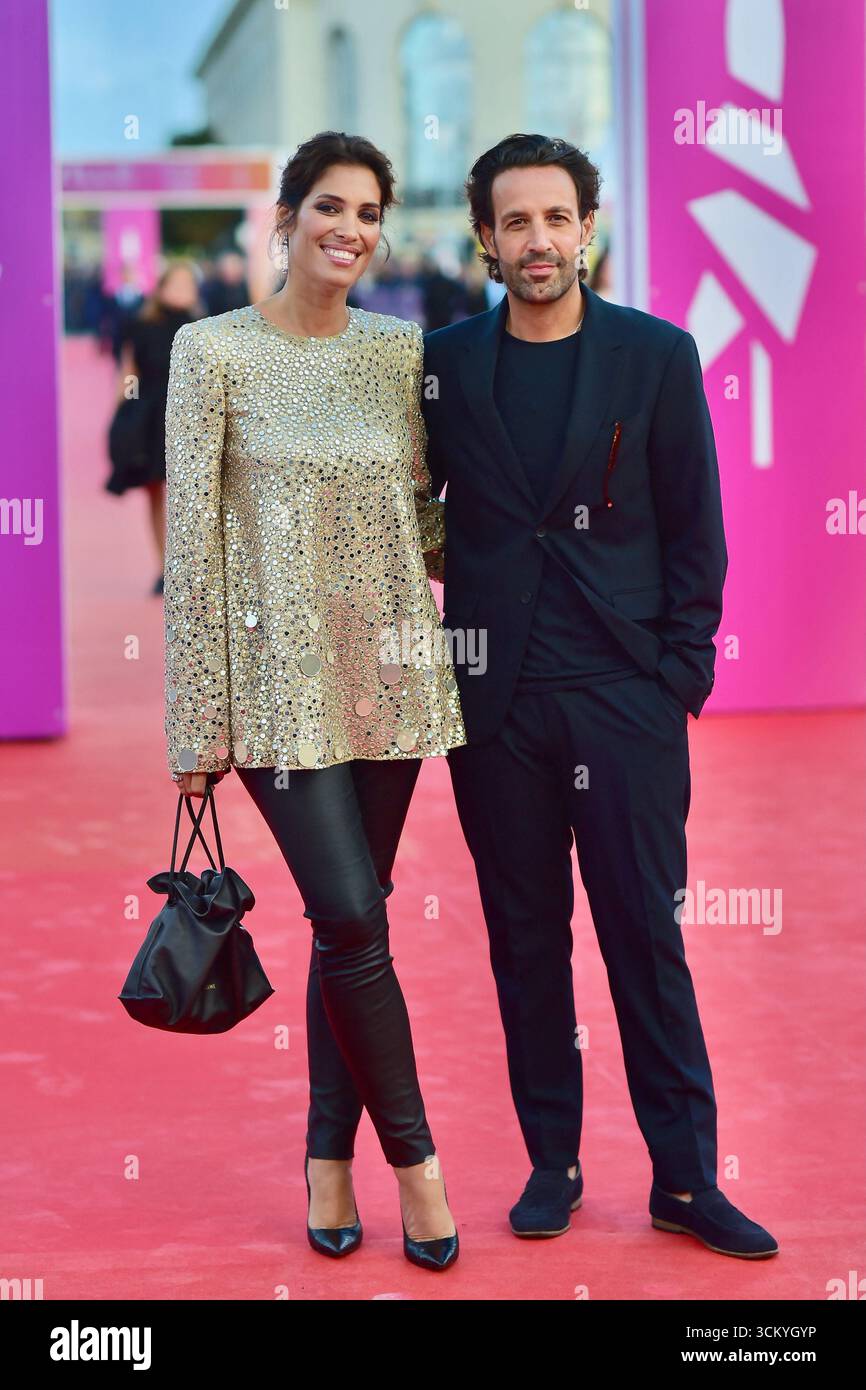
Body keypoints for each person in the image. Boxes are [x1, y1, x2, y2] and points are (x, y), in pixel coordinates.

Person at [421, 133, 778, 1259]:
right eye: (514, 222)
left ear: (587, 227)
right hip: (496, 707)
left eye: (555, 219)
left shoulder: (654, 356)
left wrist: (677, 674)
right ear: (485, 236)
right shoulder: (440, 361)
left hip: (624, 699)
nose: (537, 241)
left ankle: (683, 1177)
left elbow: (695, 524)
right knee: (524, 944)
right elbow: (404, 510)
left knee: (644, 940)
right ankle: (552, 1162)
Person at [162, 131, 464, 1271]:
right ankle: (419, 1166)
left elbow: (428, 521)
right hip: (277, 690)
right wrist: (196, 728)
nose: (350, 227)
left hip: (388, 677)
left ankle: (323, 1155)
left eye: (369, 211)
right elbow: (192, 549)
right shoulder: (212, 352)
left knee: (357, 929)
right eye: (328, 205)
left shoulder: (400, 351)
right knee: (350, 918)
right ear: (284, 217)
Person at [106, 260, 202, 594]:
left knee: (191, 495)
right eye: (176, 284)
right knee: (155, 493)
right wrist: (125, 408)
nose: (183, 291)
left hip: (189, 419)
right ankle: (165, 569)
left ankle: (193, 566)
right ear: (161, 289)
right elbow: (130, 371)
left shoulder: (201, 328)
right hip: (150, 416)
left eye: (188, 285)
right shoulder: (141, 325)